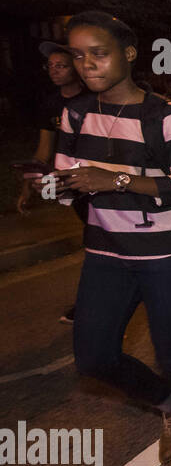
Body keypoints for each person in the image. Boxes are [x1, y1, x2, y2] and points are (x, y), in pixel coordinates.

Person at [52, 11, 171, 466]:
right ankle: (167, 401)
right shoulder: (75, 114)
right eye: (78, 56)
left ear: (129, 55)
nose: (87, 65)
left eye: (98, 53)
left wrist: (115, 179)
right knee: (94, 357)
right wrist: (51, 185)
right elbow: (64, 184)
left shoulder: (163, 115)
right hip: (105, 251)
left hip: (167, 253)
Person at [18, 42, 87, 323]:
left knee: (103, 242)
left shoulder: (95, 97)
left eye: (61, 65)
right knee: (97, 242)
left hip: (104, 177)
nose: (54, 71)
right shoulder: (50, 104)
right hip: (74, 184)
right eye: (51, 66)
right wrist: (27, 186)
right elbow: (43, 150)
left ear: (76, 68)